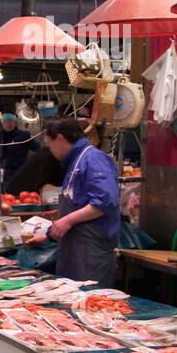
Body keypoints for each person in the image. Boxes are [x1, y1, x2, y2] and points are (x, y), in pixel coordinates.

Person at [25, 116, 120, 287]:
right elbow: (76, 207)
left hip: (91, 255)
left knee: (92, 306)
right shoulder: (76, 161)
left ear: (60, 138)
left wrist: (68, 220)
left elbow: (104, 202)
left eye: (49, 143)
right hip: (74, 253)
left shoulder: (93, 159)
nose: (49, 149)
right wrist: (47, 236)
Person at [0, 113, 38, 180]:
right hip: (6, 172)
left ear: (15, 122)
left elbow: (37, 148)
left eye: (10, 121)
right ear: (2, 123)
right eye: (6, 122)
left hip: (21, 170)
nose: (8, 124)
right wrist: (0, 167)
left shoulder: (24, 135)